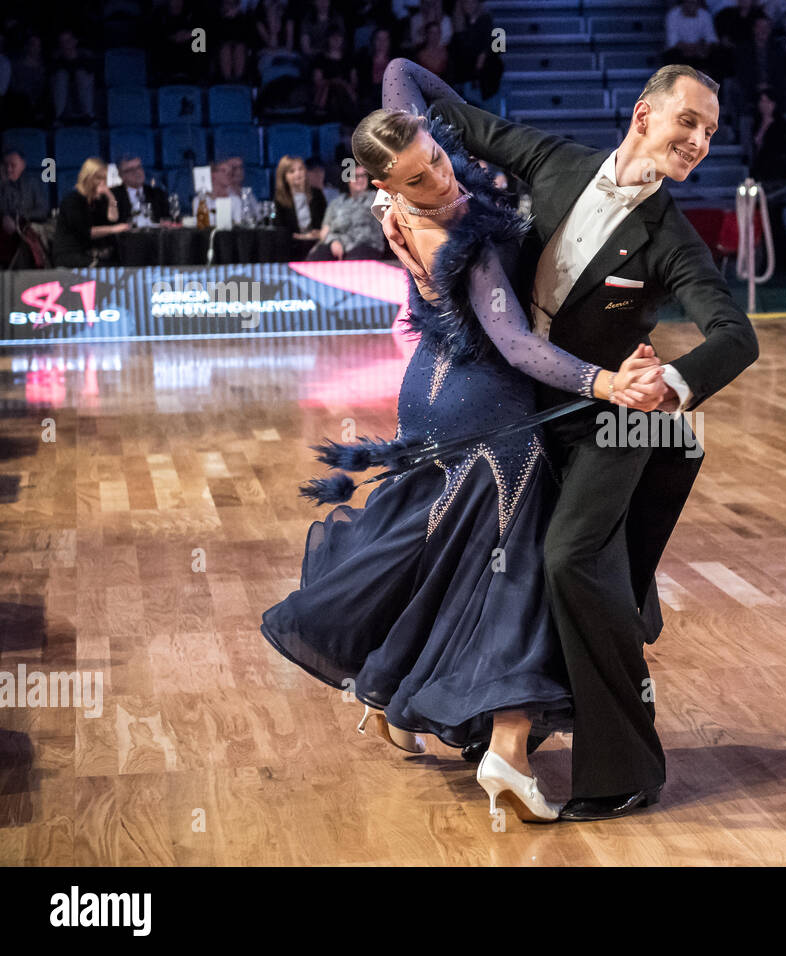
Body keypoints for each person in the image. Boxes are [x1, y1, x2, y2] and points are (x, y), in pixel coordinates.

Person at [262, 101, 674, 825]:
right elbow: (516, 346)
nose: (442, 181)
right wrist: (605, 383)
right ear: (381, 184)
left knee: (444, 549)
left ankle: (390, 695)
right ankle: (509, 750)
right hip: (490, 408)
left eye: (440, 160)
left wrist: (402, 152)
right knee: (517, 576)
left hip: (427, 390)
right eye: (417, 180)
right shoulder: (468, 239)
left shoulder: (407, 204)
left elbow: (400, 80)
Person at [378, 57, 759, 820]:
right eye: (689, 121)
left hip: (615, 418)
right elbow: (413, 84)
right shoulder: (553, 160)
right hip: (518, 400)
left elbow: (736, 335)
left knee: (571, 557)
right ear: (645, 115)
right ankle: (470, 717)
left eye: (711, 134)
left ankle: (624, 770)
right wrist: (401, 171)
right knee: (478, 552)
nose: (699, 142)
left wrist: (669, 386)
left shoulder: (672, 236)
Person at [749, 85, 786, 278]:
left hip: (776, 180)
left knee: (775, 221)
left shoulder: (782, 124)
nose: (764, 105)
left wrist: (782, 175)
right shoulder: (757, 123)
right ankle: (766, 262)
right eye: (761, 101)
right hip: (761, 178)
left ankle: (781, 263)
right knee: (763, 222)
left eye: (767, 101)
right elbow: (755, 149)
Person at [52, 158, 132, 267]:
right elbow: (86, 232)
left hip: (96, 252)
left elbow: (113, 219)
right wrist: (113, 229)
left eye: (104, 179)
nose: (102, 183)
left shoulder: (99, 200)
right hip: (72, 253)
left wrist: (110, 196)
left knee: (124, 262)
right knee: (105, 267)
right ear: (88, 178)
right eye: (98, 178)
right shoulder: (72, 200)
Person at [307, 167, 386, 259]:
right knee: (316, 258)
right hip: (336, 244)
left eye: (363, 176)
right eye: (355, 176)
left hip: (366, 246)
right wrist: (333, 241)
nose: (360, 179)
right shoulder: (336, 203)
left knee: (354, 261)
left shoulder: (376, 198)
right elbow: (325, 232)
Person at [0, 148, 51, 268]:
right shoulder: (2, 184)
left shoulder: (34, 183)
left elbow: (43, 210)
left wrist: (18, 218)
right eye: (6, 165)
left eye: (13, 165)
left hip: (26, 226)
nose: (9, 169)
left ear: (23, 165)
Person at [272, 155, 328, 258]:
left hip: (316, 242)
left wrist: (319, 232)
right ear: (284, 177)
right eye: (292, 171)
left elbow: (326, 220)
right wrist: (300, 236)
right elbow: (280, 228)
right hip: (293, 245)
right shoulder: (279, 200)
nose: (298, 174)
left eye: (300, 169)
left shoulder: (317, 194)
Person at [110, 154, 168, 224]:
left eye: (139, 167)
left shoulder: (157, 193)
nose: (137, 172)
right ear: (121, 175)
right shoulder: (113, 195)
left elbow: (167, 218)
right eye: (130, 170)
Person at [664, 0, 719, 74]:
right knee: (671, 56)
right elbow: (673, 41)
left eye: (695, 2)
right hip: (681, 52)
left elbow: (711, 38)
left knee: (717, 55)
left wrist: (703, 48)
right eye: (689, 2)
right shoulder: (672, 15)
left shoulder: (705, 15)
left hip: (700, 51)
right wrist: (691, 49)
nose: (692, 5)